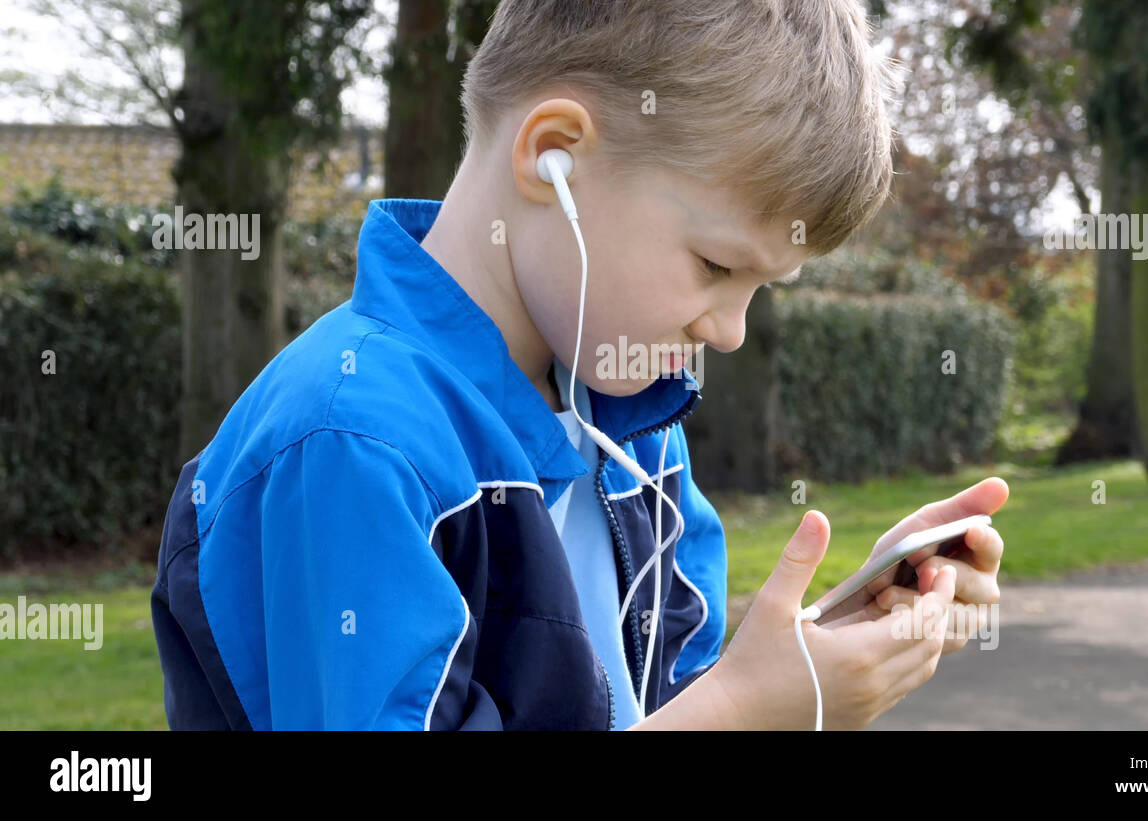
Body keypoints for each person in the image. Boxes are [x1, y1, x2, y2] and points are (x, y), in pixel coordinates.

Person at [151, 0, 1006, 731]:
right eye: (716, 266)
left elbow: (667, 707)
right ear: (551, 154)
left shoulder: (635, 430)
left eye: (761, 287)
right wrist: (744, 709)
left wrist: (814, 652)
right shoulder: (352, 440)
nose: (733, 330)